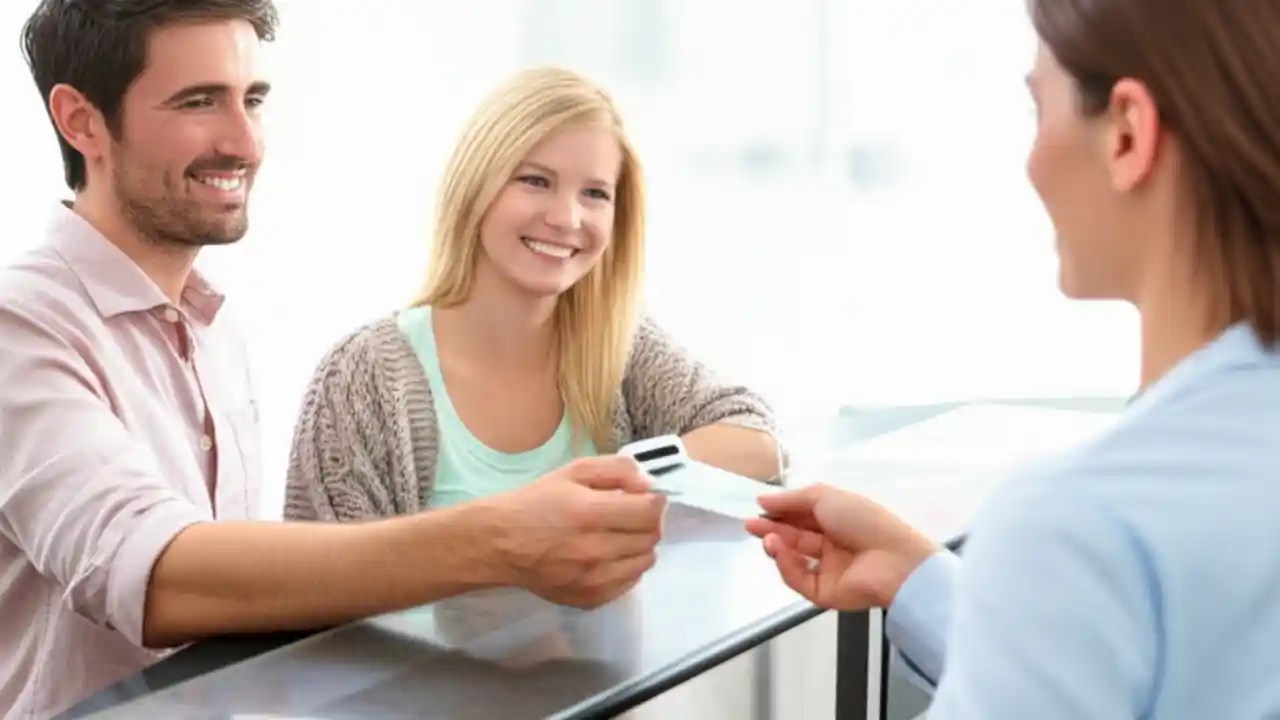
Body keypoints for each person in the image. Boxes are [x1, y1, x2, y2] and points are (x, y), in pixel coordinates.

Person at [1, 3, 663, 717]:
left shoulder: (209, 326)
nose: (243, 141)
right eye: (199, 102)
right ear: (81, 120)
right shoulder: (21, 329)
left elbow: (250, 615)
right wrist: (504, 539)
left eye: (252, 100)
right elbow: (155, 578)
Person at [749, 0, 1280, 716]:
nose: (1030, 164)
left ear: (1128, 132)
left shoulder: (1080, 523)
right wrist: (928, 584)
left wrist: (1030, 576)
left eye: (1039, 110)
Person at [283, 69, 782, 517]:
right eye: (535, 181)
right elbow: (323, 587)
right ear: (475, 185)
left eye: (595, 194)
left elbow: (756, 440)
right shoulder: (366, 376)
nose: (567, 218)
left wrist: (611, 487)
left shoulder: (616, 343)